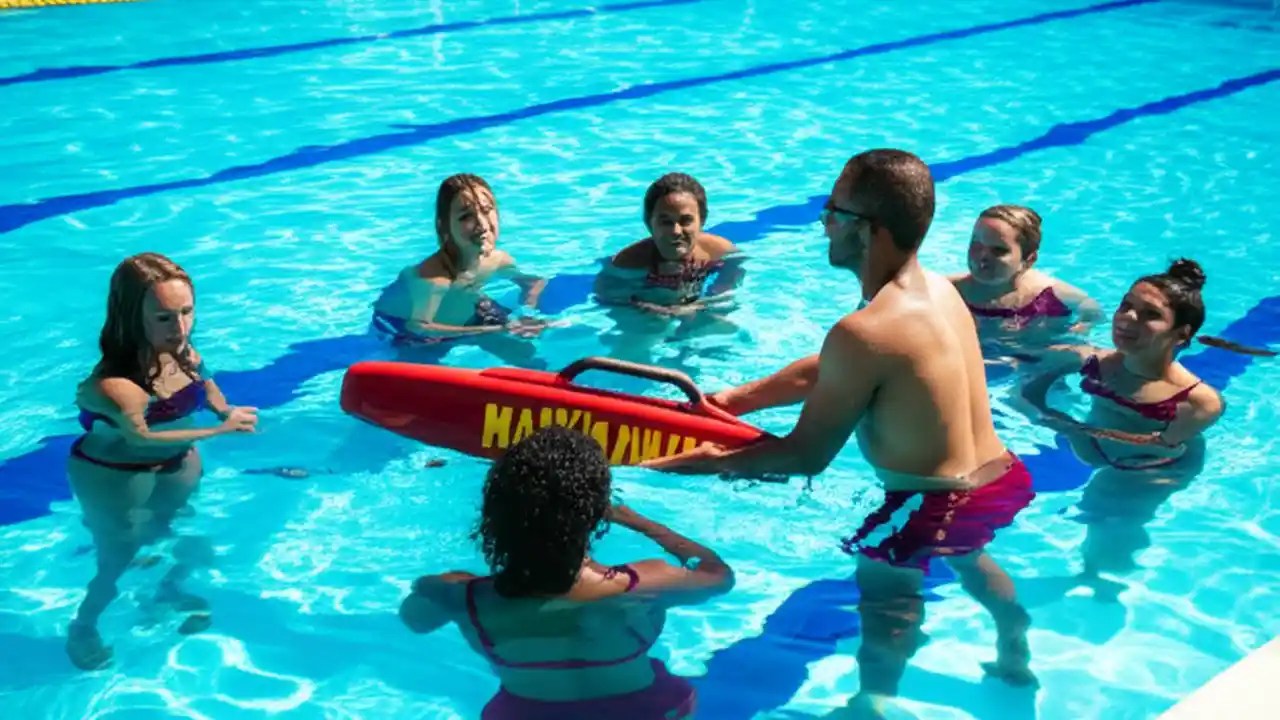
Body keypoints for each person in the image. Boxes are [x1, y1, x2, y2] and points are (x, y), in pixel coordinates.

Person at [643, 149, 1038, 716]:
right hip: (998, 476)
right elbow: (837, 366)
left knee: (884, 590)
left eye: (834, 210)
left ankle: (873, 700)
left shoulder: (867, 330)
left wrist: (699, 462)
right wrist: (737, 400)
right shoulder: (934, 292)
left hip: (930, 502)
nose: (824, 221)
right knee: (970, 556)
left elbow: (805, 456)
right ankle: (1012, 636)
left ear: (869, 229)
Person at [399, 425, 733, 719]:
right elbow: (718, 576)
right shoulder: (646, 583)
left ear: (497, 513)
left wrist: (438, 585)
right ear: (596, 512)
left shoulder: (463, 597)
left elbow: (416, 621)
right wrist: (646, 525)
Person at [66, 252, 258, 671]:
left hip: (175, 460)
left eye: (187, 312)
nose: (181, 327)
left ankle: (167, 592)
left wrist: (223, 410)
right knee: (117, 554)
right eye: (165, 318)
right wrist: (218, 432)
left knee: (170, 528)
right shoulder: (116, 384)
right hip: (114, 474)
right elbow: (140, 435)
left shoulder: (184, 350)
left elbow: (208, 386)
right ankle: (84, 624)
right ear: (132, 317)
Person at [1013, 259, 1238, 593]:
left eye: (1150, 315)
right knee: (1097, 512)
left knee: (1109, 515)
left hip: (1156, 468)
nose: (1128, 318)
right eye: (1126, 306)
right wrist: (1055, 420)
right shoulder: (1087, 361)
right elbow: (1022, 394)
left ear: (1182, 333)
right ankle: (1100, 577)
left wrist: (1080, 433)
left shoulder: (1198, 401)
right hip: (1103, 447)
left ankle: (1106, 581)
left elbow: (1159, 444)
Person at [371, 174, 550, 361]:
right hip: (404, 328)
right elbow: (419, 327)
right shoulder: (432, 280)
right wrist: (495, 329)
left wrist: (527, 313)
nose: (482, 224)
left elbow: (534, 282)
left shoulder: (498, 261)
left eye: (487, 210)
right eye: (466, 217)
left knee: (528, 354)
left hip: (468, 310)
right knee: (419, 365)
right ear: (444, 226)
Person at [593, 172, 744, 318]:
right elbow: (606, 296)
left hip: (697, 302)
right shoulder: (628, 262)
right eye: (666, 222)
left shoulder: (719, 252)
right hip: (651, 307)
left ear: (702, 221)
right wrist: (650, 307)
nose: (676, 231)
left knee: (715, 323)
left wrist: (703, 304)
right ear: (649, 223)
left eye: (686, 221)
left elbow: (732, 276)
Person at [951, 204, 1100, 337]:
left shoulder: (1052, 296)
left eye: (998, 250)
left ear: (1029, 260)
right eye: (976, 245)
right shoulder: (949, 291)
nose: (982, 256)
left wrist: (1079, 330)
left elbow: (1093, 313)